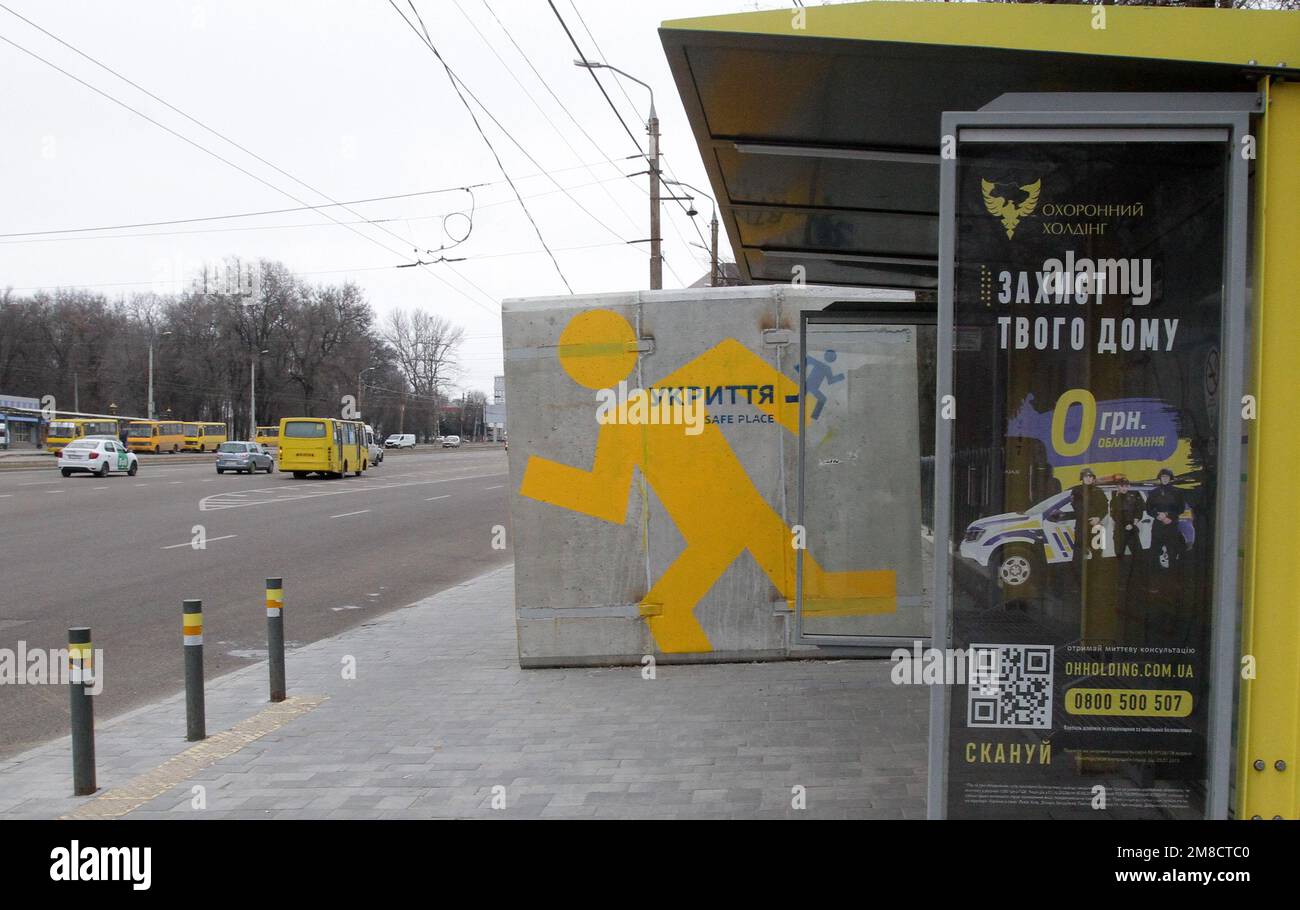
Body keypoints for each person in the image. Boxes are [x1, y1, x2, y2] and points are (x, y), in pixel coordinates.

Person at [1146, 468, 1187, 571]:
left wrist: (1168, 515)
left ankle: (1172, 578)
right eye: (1163, 477)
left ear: (1170, 478)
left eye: (1167, 477)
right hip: (1158, 527)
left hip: (1171, 525)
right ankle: (1155, 578)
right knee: (1154, 553)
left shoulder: (1178, 492)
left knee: (1172, 552)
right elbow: (1148, 508)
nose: (1165, 479)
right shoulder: (1153, 493)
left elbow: (1181, 509)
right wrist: (1157, 515)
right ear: (1160, 478)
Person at [1070, 467, 1108, 574]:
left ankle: (1095, 577)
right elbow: (1078, 508)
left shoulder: (1098, 491)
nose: (1088, 478)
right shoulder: (1076, 491)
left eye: (1090, 476)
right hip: (1082, 526)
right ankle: (1077, 581)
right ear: (1082, 478)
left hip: (1096, 526)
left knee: (1097, 553)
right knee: (1078, 555)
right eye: (1086, 476)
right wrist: (1089, 519)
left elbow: (1105, 507)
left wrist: (1098, 518)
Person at [1109, 474, 1146, 560]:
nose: (1124, 488)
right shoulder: (1114, 499)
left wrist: (1132, 523)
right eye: (1122, 486)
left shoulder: (1134, 496)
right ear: (1118, 487)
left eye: (1126, 486)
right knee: (1119, 555)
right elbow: (1114, 515)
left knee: (1138, 555)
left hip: (1132, 530)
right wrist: (1125, 524)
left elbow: (1139, 511)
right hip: (1120, 530)